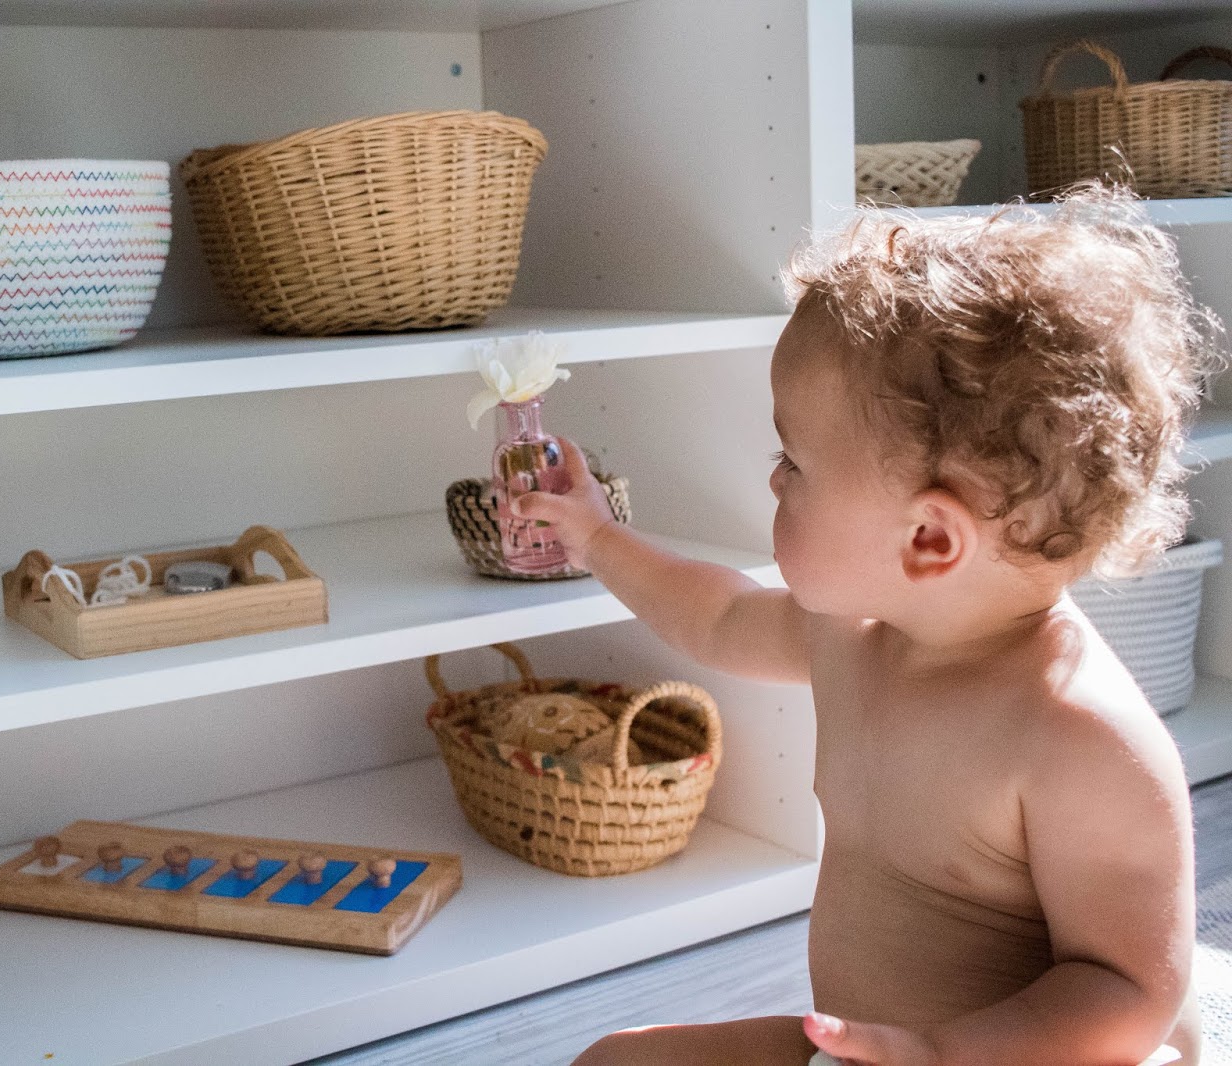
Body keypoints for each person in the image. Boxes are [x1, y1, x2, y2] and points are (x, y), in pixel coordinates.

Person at [519, 187, 1218, 1066]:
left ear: (928, 539)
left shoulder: (1080, 740)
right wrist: (595, 537)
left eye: (793, 461)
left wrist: (939, 1052)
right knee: (617, 1062)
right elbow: (722, 615)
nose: (775, 482)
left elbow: (1130, 993)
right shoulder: (854, 634)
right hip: (866, 1052)